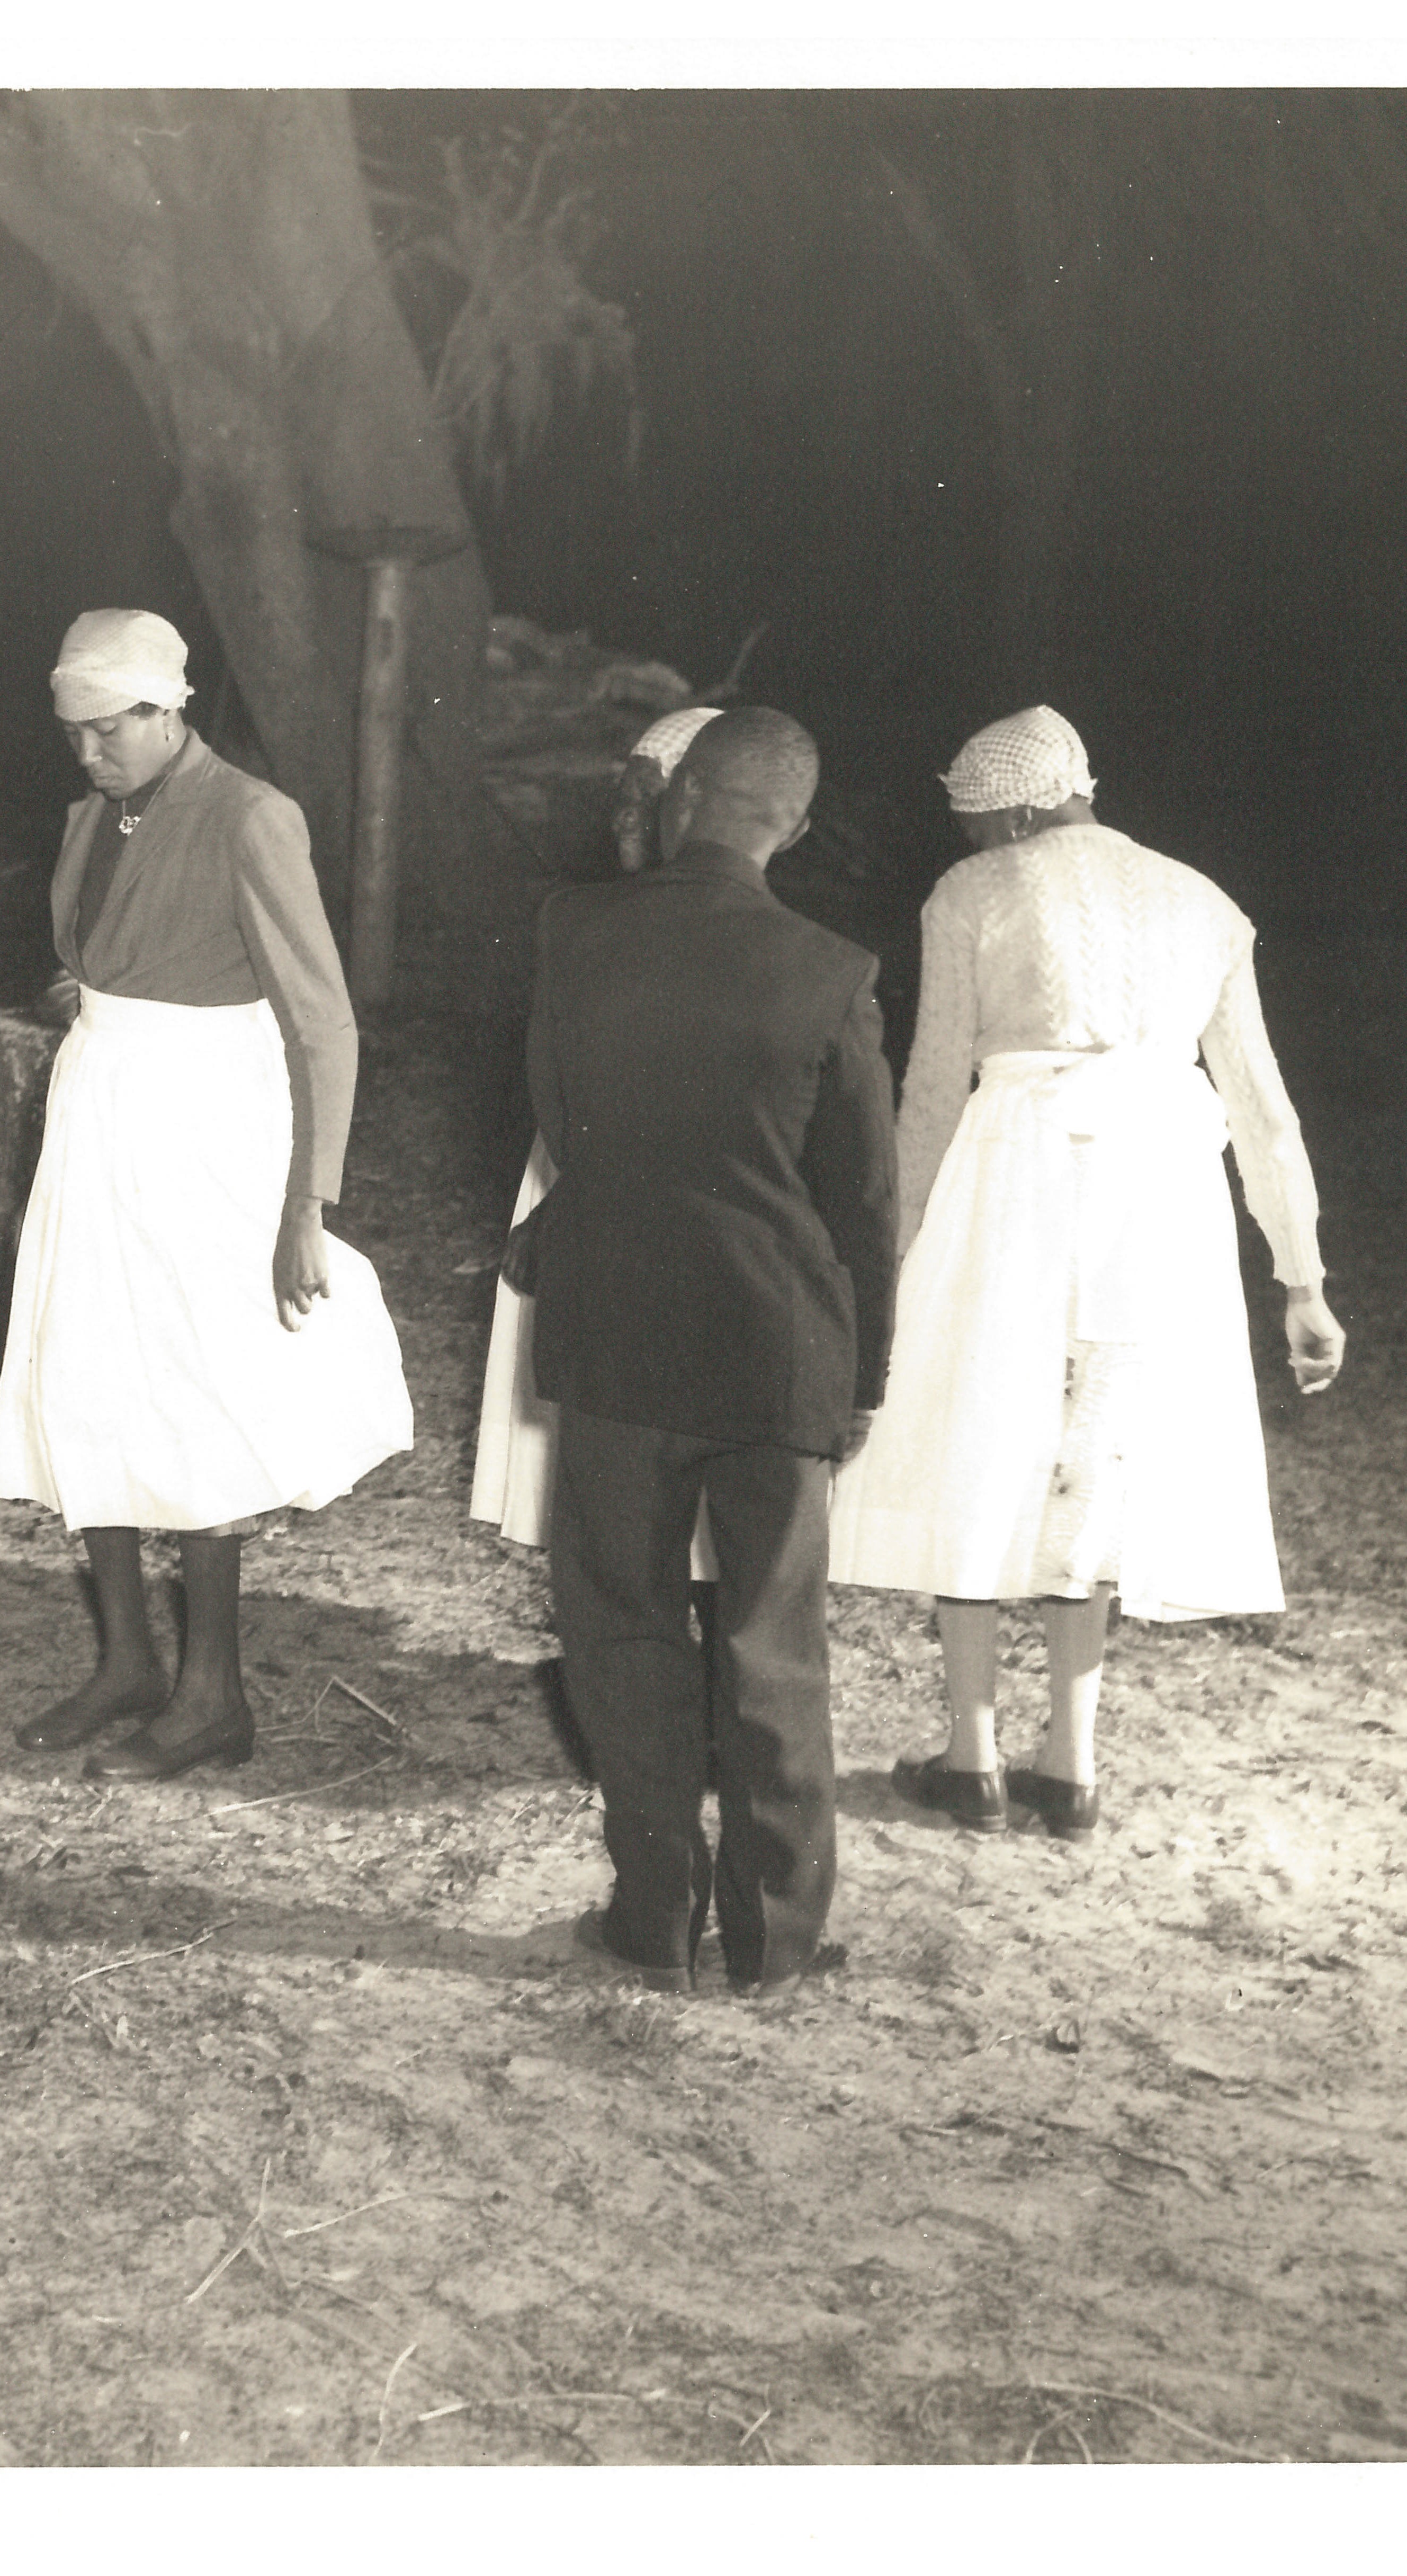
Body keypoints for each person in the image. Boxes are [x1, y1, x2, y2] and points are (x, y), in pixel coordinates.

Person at [831, 707, 1346, 1840]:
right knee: (1099, 1440)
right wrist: (1298, 1274)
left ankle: (971, 1753)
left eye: (977, 829)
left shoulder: (973, 894)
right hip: (1158, 1187)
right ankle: (1070, 1758)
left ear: (1013, 812)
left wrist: (891, 1249)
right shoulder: (1202, 900)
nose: (977, 849)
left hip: (1017, 1170)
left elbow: (928, 1090)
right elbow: (1261, 1106)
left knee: (980, 1426)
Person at [0, 610, 414, 1782]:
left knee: (190, 1392)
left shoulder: (248, 815)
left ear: (167, 707)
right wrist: (84, 990)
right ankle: (127, 1656)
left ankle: (211, 1690)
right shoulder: (95, 814)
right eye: (71, 734)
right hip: (101, 1120)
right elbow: (114, 952)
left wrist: (304, 1205)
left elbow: (322, 1021)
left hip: (207, 1128)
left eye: (108, 730)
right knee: (93, 1373)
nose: (87, 754)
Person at [523, 705, 896, 1997]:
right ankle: (775, 1937)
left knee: (622, 1630)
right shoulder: (831, 971)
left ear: (680, 798)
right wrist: (865, 1374)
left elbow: (559, 1128)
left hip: (616, 1328)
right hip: (773, 1347)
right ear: (788, 826)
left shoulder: (574, 931)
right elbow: (862, 1206)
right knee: (771, 1643)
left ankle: (652, 1912)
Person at [470, 703, 724, 1556]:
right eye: (623, 793)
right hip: (577, 1158)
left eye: (649, 796)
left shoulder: (726, 931)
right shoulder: (590, 921)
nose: (625, 814)